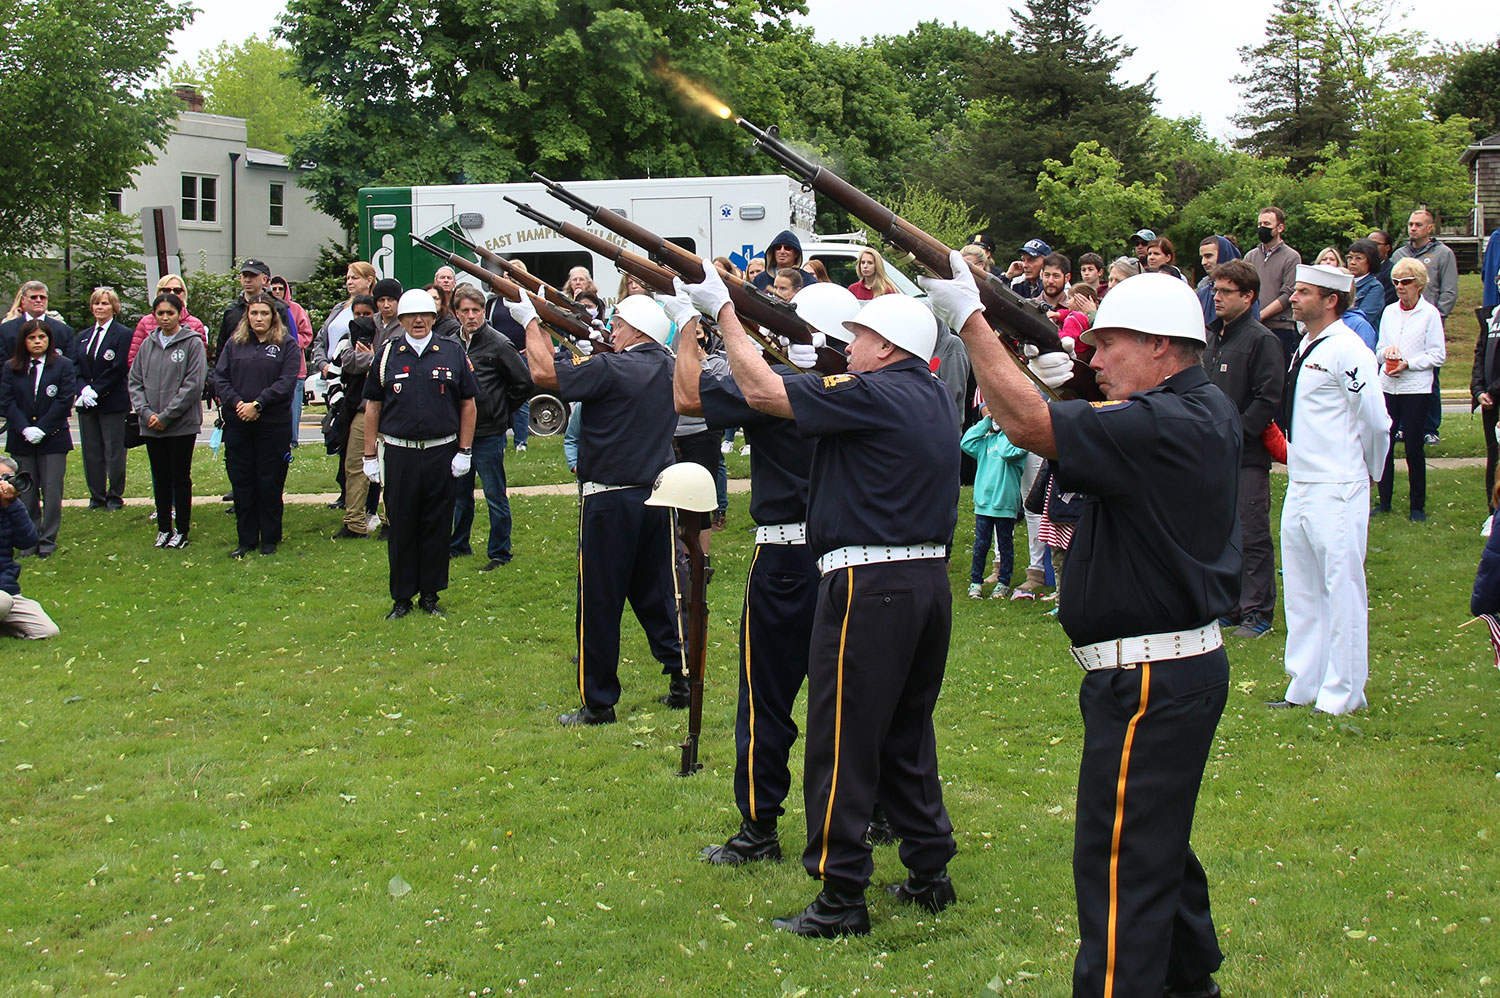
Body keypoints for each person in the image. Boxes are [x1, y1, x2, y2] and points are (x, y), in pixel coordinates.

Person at [925, 257, 1238, 998]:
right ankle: (1191, 983)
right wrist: (1067, 375)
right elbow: (1093, 423)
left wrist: (972, 320)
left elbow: (1027, 424)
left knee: (1118, 858)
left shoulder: (1167, 421)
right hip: (1160, 672)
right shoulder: (1193, 409)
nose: (1095, 355)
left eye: (1109, 344)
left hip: (1150, 679)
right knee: (1153, 844)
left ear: (1162, 346)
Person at [684, 264, 961, 938]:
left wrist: (722, 311)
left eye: (860, 333)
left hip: (869, 583)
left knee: (839, 739)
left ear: (888, 346)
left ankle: (840, 896)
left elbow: (761, 389)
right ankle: (930, 873)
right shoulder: (929, 394)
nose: (850, 342)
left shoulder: (872, 390)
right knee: (903, 735)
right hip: (925, 581)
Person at [674, 280, 856, 867]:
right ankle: (874, 811)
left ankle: (759, 827)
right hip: (852, 559)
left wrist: (687, 321)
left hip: (785, 559)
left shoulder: (783, 389)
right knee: (859, 697)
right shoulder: (874, 390)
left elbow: (686, 395)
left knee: (765, 699)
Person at [511, 290, 683, 724]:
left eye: (619, 325)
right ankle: (682, 675)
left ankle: (598, 702)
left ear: (638, 330)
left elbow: (543, 372)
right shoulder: (667, 366)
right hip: (656, 497)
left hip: (608, 499)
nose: (613, 330)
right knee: (657, 593)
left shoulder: (610, 367)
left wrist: (531, 321)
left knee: (599, 602)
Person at [1275, 264, 1389, 716]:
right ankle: (1304, 683)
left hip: (1336, 483)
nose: (1294, 298)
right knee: (1302, 590)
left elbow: (1375, 419)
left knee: (1341, 589)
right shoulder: (1306, 344)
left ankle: (1343, 692)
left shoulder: (1349, 349)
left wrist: (1368, 471)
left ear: (1331, 300)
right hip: (1302, 480)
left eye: (1304, 292)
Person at [362, 289, 477, 618]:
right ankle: (402, 597)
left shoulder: (452, 352)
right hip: (400, 454)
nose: (418, 321)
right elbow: (373, 407)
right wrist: (370, 455)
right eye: (411, 316)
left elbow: (468, 403)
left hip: (441, 452)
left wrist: (464, 450)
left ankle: (430, 594)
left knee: (437, 525)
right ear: (400, 320)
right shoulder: (387, 355)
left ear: (433, 318)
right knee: (401, 526)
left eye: (425, 315)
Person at [1204, 259, 1284, 639]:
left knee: (1251, 534)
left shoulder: (1261, 340)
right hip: (1211, 453)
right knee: (1221, 532)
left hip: (1246, 455)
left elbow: (1268, 398)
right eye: (1215, 290)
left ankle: (1258, 612)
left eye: (1225, 292)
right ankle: (1230, 605)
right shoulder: (1213, 338)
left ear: (1249, 296)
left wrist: (1238, 435)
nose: (1216, 298)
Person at [447, 285, 532, 570]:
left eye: (477, 310)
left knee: (495, 494)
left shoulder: (499, 343)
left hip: (489, 432)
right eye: (465, 311)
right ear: (456, 313)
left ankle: (500, 552)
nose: (471, 316)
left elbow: (523, 383)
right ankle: (458, 545)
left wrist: (502, 409)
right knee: (460, 495)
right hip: (458, 431)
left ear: (484, 311)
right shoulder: (449, 342)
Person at [213, 292, 301, 557]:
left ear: (273, 316)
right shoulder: (234, 344)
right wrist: (239, 404)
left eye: (264, 313)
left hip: (272, 425)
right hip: (239, 424)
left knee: (270, 482)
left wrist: (258, 405)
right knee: (243, 483)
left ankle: (270, 540)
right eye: (254, 313)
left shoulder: (287, 345)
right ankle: (246, 540)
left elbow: (286, 382)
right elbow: (221, 378)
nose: (259, 318)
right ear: (247, 316)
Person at [129, 292, 207, 550]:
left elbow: (193, 384)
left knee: (180, 477)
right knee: (160, 477)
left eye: (169, 313)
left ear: (179, 314)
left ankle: (182, 530)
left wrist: (167, 416)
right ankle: (164, 527)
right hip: (151, 424)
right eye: (160, 313)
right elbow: (135, 381)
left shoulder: (192, 343)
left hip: (180, 425)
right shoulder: (148, 344)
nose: (164, 318)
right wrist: (146, 413)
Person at [1375, 258, 1446, 521]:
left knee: (1414, 446)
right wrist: (1387, 354)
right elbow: (1380, 349)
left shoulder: (1430, 314)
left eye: (1406, 282)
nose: (1400, 287)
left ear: (1419, 284)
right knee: (1385, 443)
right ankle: (1385, 501)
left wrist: (1409, 363)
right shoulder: (1390, 311)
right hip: (1388, 385)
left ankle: (1417, 505)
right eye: (1396, 282)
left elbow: (1437, 355)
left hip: (1416, 387)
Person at [1, 321, 75, 557]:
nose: (37, 342)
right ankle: (29, 540)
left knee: (52, 491)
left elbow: (64, 400)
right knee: (26, 490)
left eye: (41, 337)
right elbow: (7, 400)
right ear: (24, 341)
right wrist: (25, 428)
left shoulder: (62, 365)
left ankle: (47, 540)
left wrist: (42, 428)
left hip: (52, 438)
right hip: (21, 437)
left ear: (48, 340)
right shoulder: (11, 367)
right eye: (32, 338)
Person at [314, 262, 379, 508]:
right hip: (335, 376)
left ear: (369, 280)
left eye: (355, 277)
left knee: (363, 440)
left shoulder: (375, 311)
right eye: (347, 278)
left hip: (361, 383)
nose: (349, 282)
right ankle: (346, 493)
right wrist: (323, 364)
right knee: (340, 433)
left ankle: (369, 500)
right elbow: (322, 339)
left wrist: (360, 360)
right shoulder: (339, 309)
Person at [1391, 207, 1457, 446]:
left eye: (1418, 225)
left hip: (1429, 322)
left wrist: (1436, 318)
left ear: (1430, 228)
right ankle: (1400, 427)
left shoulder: (1443, 254)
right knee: (1398, 373)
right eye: (1410, 224)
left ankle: (1430, 428)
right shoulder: (1399, 255)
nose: (1413, 228)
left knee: (1430, 378)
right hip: (1401, 323)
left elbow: (1449, 290)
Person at [74, 288, 133, 510]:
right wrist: (83, 391)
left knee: (114, 450)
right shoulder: (83, 336)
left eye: (105, 304)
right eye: (97, 303)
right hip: (86, 403)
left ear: (114, 308)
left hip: (112, 401)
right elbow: (74, 365)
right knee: (91, 451)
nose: (100, 307)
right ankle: (96, 496)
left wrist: (96, 390)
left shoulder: (123, 334)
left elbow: (118, 367)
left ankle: (114, 496)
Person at [962, 399, 1025, 599]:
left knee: (1005, 545)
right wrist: (987, 422)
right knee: (981, 545)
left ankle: (1003, 582)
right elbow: (966, 442)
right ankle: (975, 582)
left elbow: (1007, 453)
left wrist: (1008, 428)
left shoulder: (1018, 445)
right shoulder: (985, 442)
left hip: (1005, 505)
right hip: (984, 505)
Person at [0, 456, 58, 638]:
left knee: (48, 631)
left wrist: (11, 505)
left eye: (9, 478)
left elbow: (28, 541)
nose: (6, 484)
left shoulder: (10, 507)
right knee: (2, 602)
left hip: (6, 589)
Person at [1249, 206, 1302, 365]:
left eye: (1266, 224)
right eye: (1259, 224)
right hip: (1252, 328)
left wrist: (1260, 315)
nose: (1262, 228)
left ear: (1280, 228)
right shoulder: (1250, 256)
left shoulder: (1292, 257)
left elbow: (1288, 294)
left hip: (1279, 328)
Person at [269, 276, 314, 448]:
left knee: (294, 407)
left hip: (296, 368)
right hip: (274, 365)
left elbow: (307, 334)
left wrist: (292, 344)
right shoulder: (266, 308)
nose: (277, 292)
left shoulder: (295, 309)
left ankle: (293, 440)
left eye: (281, 288)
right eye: (274, 289)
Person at [129, 275, 208, 365]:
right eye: (166, 290)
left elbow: (199, 361)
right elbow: (134, 359)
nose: (172, 293)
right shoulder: (145, 322)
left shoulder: (196, 324)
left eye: (177, 291)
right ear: (158, 292)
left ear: (184, 294)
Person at [1473, 297, 1500, 520]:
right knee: (1493, 453)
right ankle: (1493, 511)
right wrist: (1478, 389)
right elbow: (1480, 352)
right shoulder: (1492, 315)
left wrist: (1494, 389)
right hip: (1488, 400)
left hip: (1496, 393)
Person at [0, 281, 74, 360]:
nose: (38, 300)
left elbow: (70, 365)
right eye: (33, 297)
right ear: (23, 300)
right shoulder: (5, 330)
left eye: (42, 297)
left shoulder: (64, 331)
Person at [751, 231, 817, 292]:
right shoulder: (760, 280)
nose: (782, 251)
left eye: (787, 248)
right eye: (778, 248)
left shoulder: (809, 281)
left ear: (796, 253)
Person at [1346, 238, 1387, 332]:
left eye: (1358, 258)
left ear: (1370, 261)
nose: (1352, 262)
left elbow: (1363, 318)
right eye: (1350, 257)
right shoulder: (1343, 283)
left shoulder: (1375, 287)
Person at [1367, 228, 1397, 306]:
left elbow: (1387, 301)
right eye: (1368, 243)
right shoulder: (1362, 269)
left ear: (1387, 248)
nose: (1370, 247)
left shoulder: (1391, 272)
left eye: (1375, 244)